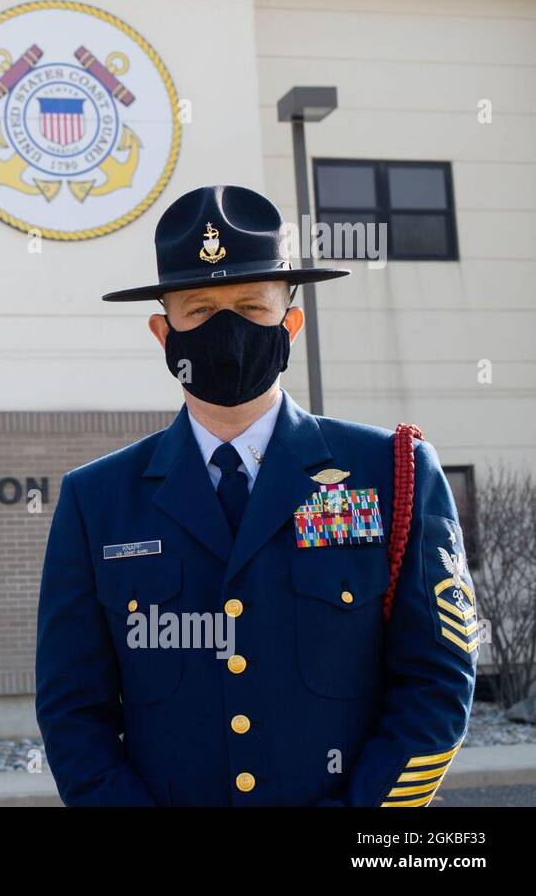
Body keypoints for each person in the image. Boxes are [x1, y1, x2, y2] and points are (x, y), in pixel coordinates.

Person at [35, 185, 477, 806]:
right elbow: (72, 710)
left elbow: (437, 681)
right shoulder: (98, 500)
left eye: (250, 306)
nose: (227, 329)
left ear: (290, 324)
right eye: (200, 310)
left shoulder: (391, 472)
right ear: (164, 334)